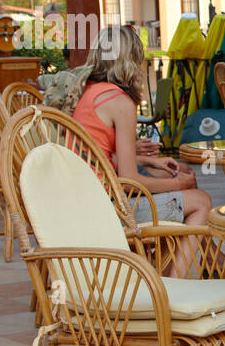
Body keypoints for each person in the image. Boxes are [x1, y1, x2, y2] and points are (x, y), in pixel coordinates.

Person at [71, 26, 212, 274]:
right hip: (108, 208)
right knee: (201, 201)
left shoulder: (90, 92)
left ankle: (195, 263)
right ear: (133, 59)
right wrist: (177, 184)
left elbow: (99, 154)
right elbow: (128, 182)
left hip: (84, 200)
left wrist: (150, 162)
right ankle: (172, 287)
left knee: (180, 173)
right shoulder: (120, 102)